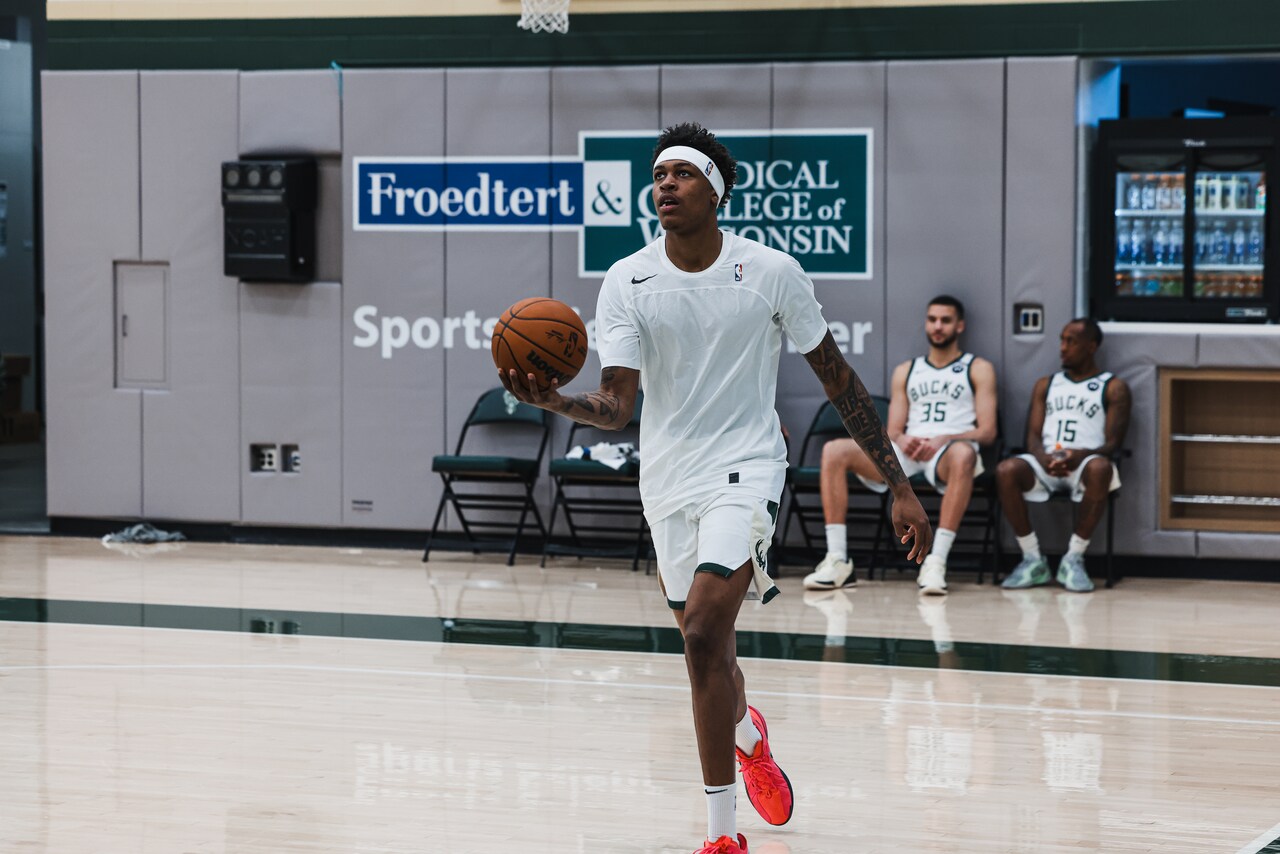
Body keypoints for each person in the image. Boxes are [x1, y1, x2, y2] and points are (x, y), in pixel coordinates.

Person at [501, 122, 932, 854]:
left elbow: (839, 379)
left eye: (682, 173)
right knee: (708, 654)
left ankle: (721, 836)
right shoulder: (627, 279)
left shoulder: (770, 271)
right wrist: (558, 402)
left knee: (703, 631)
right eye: (658, 175)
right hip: (668, 478)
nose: (664, 184)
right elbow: (616, 405)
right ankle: (748, 736)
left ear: (716, 191)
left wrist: (898, 484)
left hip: (747, 466)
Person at [803, 296, 997, 596]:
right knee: (834, 451)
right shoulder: (908, 369)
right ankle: (838, 560)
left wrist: (945, 438)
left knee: (965, 454)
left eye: (945, 320)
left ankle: (936, 562)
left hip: (947, 451)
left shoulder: (978, 368)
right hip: (908, 450)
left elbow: (987, 431)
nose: (938, 326)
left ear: (960, 326)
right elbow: (893, 429)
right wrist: (904, 439)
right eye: (932, 319)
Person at [997, 318, 1132, 593]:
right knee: (1005, 470)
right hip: (1046, 462)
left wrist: (1079, 455)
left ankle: (1074, 558)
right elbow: (1032, 438)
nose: (1063, 347)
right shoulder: (1046, 384)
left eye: (1071, 341)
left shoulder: (1113, 386)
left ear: (1091, 346)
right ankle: (1032, 559)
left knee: (1102, 468)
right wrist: (1043, 458)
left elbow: (1113, 444)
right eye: (1062, 340)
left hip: (1085, 464)